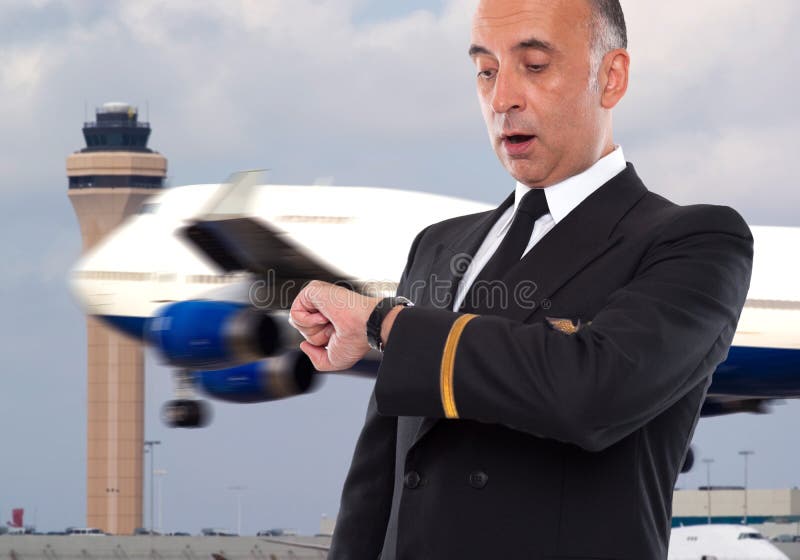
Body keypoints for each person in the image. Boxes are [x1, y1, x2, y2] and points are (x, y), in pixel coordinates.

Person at [289, 0, 754, 558]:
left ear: (612, 77)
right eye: (486, 70)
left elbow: (593, 392)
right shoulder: (438, 244)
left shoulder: (695, 239)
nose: (502, 98)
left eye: (534, 65)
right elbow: (378, 476)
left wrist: (384, 321)